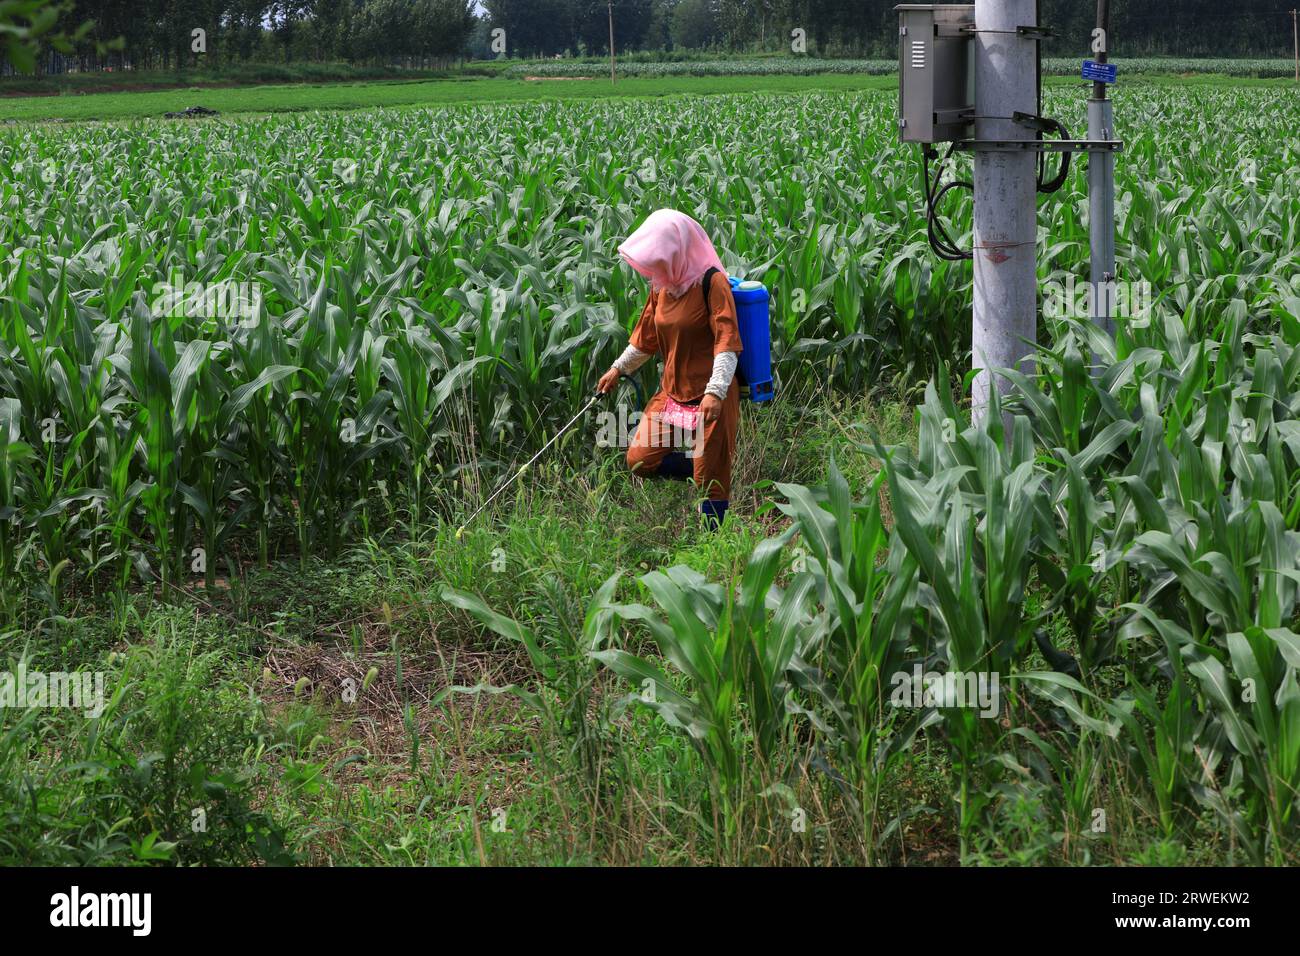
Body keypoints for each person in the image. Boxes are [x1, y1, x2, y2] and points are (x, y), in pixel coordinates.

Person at [597, 209, 742, 529]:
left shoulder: (711, 283)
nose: (656, 268)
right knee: (640, 460)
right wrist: (618, 369)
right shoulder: (661, 288)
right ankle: (705, 468)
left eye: (661, 259)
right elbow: (645, 340)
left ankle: (714, 543)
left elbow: (727, 342)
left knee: (711, 482)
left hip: (710, 396)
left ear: (677, 250)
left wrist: (715, 393)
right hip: (674, 392)